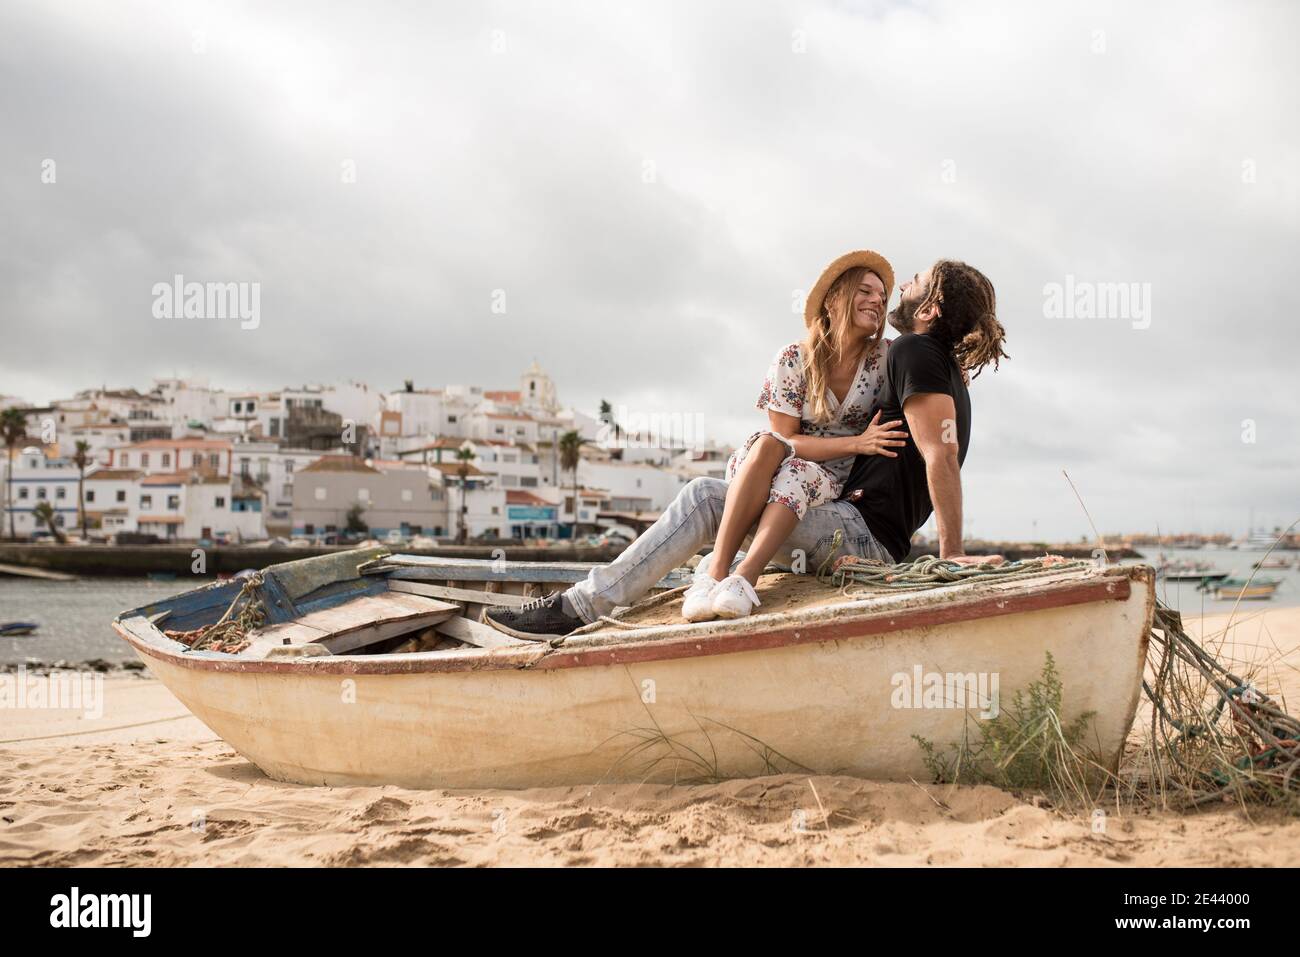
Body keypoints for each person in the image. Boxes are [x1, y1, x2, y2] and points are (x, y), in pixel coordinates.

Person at [484, 254, 1006, 640]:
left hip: (861, 536)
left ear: (931, 307)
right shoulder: (931, 362)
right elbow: (789, 436)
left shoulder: (912, 350)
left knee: (704, 499)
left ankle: (580, 607)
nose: (896, 291)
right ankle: (712, 577)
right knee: (737, 480)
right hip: (849, 519)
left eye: (912, 284)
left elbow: (940, 453)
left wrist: (953, 554)